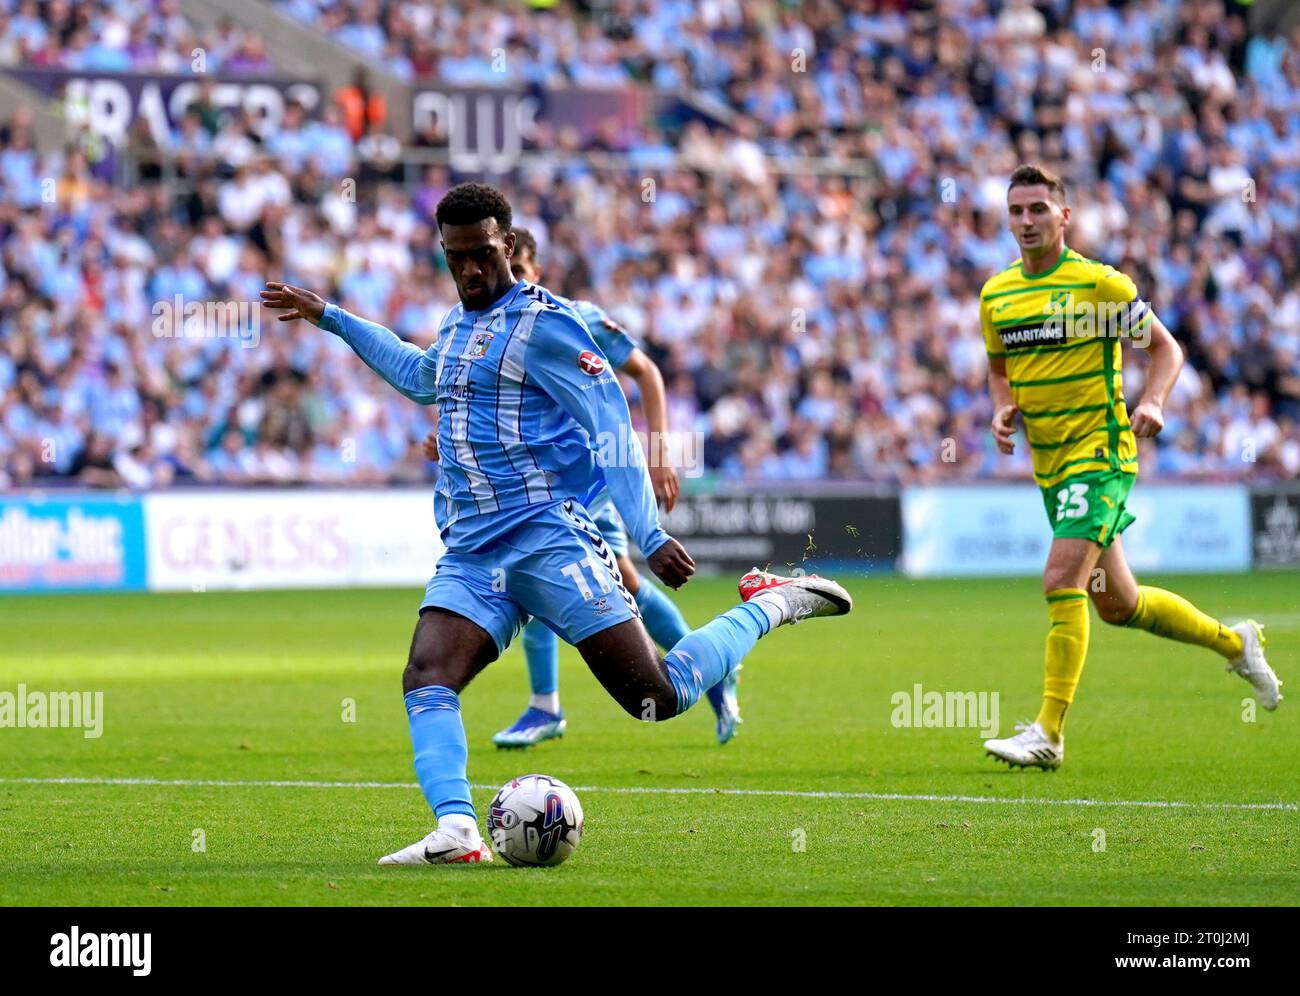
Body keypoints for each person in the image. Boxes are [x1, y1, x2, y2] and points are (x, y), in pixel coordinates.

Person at [261, 182, 853, 864]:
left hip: (548, 538)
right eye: (456, 259)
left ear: (508, 245)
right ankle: (456, 830)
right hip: (474, 553)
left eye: (482, 254)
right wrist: (331, 316)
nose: (471, 270)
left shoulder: (547, 324)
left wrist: (647, 533)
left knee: (654, 697)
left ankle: (770, 605)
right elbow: (420, 375)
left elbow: (611, 425)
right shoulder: (457, 326)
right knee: (427, 673)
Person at [979, 164, 1282, 771]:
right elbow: (998, 369)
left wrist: (1152, 399)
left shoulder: (1099, 286)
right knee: (1118, 604)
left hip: (1102, 454)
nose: (1026, 221)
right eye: (1017, 211)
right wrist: (1001, 410)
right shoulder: (997, 295)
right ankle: (1235, 642)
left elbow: (1166, 349)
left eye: (1038, 209)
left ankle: (1048, 733)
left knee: (1060, 580)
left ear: (1064, 216)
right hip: (1052, 467)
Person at [422, 226, 741, 748]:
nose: (511, 284)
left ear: (531, 270)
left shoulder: (572, 319)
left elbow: (645, 373)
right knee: (535, 577)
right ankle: (545, 704)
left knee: (621, 580)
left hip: (588, 484)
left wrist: (659, 452)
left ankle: (705, 665)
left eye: (520, 273)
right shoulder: (480, 329)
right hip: (534, 490)